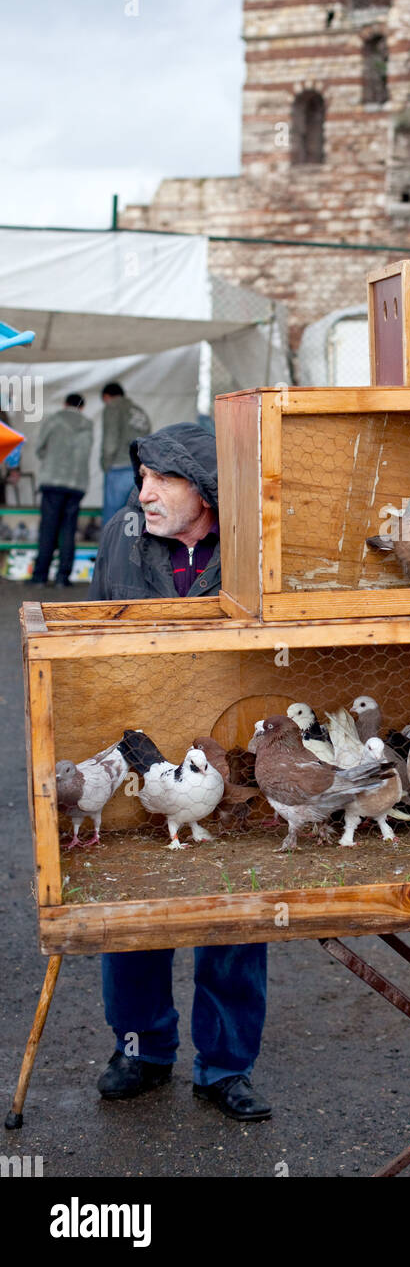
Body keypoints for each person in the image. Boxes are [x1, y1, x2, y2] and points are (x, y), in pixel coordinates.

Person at [91, 422, 270, 1122]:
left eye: (162, 480)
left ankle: (226, 1067)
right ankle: (141, 1050)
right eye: (142, 480)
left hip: (219, 748)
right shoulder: (122, 535)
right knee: (132, 914)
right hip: (138, 746)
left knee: (233, 910)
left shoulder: (250, 542)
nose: (146, 494)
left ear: (205, 488)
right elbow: (88, 639)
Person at [31, 393, 94, 587]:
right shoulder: (87, 424)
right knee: (68, 530)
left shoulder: (54, 419)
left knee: (48, 529)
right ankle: (62, 577)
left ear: (64, 404)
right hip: (76, 484)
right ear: (82, 407)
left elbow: (39, 448)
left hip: (53, 481)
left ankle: (40, 577)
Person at [100, 382, 151, 527]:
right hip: (140, 470)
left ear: (106, 396)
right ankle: (131, 550)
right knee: (135, 516)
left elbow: (110, 440)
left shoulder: (113, 407)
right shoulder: (139, 411)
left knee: (113, 518)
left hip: (119, 469)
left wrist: (106, 464)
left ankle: (111, 549)